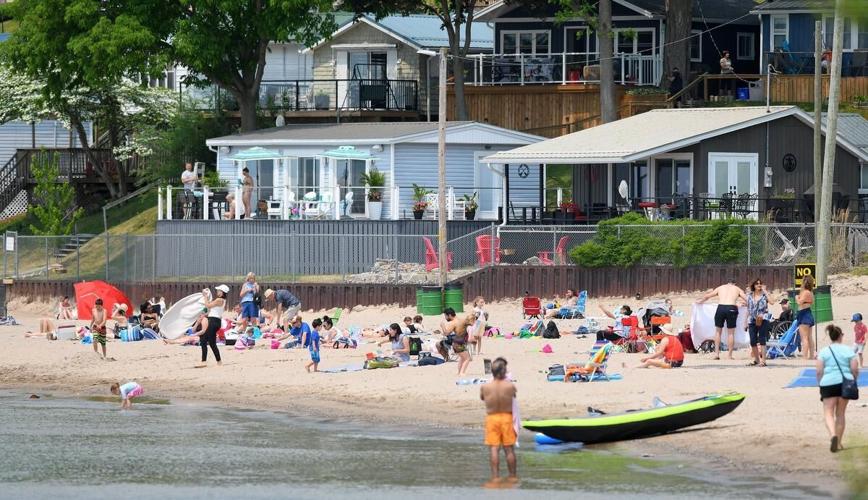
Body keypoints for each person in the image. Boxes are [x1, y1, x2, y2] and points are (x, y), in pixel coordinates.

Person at [816, 324, 859, 453]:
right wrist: (853, 379)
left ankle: (833, 435)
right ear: (841, 336)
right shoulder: (848, 350)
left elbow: (819, 370)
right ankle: (839, 442)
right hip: (844, 382)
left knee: (828, 412)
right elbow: (854, 369)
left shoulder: (824, 351)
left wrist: (820, 383)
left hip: (828, 382)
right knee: (840, 414)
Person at [480, 357, 517, 483]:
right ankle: (512, 476)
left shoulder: (485, 387)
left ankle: (495, 477)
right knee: (509, 449)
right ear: (504, 371)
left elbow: (483, 398)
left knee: (494, 448)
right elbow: (513, 396)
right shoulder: (509, 386)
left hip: (492, 417)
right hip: (506, 417)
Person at [696, 279, 747, 360]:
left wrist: (700, 302)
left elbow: (707, 296)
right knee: (731, 333)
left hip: (721, 308)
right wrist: (745, 304)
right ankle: (729, 355)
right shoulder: (737, 289)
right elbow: (747, 299)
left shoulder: (720, 287)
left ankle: (716, 354)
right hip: (731, 307)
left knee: (718, 332)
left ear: (727, 283)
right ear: (734, 284)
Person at [197, 285, 226, 367]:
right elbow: (211, 309)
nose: (217, 292)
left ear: (223, 292)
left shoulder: (219, 300)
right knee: (209, 342)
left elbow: (208, 305)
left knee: (206, 340)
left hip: (214, 321)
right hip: (214, 321)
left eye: (219, 291)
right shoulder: (221, 300)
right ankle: (216, 361)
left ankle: (207, 361)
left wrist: (205, 296)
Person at [746, 278, 770, 367]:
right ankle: (756, 359)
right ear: (754, 286)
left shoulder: (764, 295)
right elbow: (748, 309)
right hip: (752, 319)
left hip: (763, 318)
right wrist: (745, 321)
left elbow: (772, 302)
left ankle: (763, 361)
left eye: (760, 283)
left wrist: (766, 292)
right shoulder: (749, 296)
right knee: (752, 340)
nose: (759, 285)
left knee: (762, 339)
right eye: (757, 284)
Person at [797, 275, 816, 360]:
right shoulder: (811, 292)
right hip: (808, 312)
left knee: (804, 338)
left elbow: (799, 302)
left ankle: (805, 356)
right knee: (809, 337)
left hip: (803, 314)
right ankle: (811, 355)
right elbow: (812, 302)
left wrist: (797, 298)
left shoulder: (805, 292)